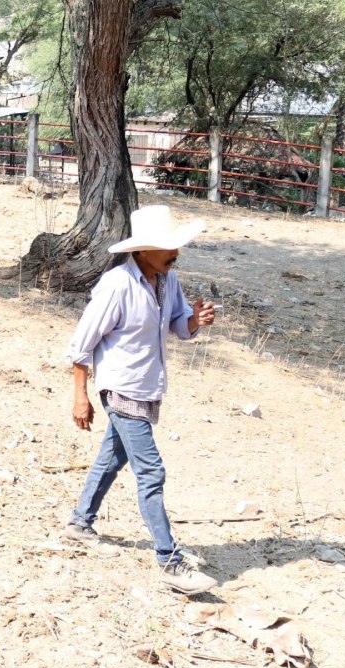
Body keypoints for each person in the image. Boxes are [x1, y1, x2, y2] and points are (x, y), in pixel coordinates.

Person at [60, 204, 218, 595]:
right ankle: (169, 559)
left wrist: (196, 319)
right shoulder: (117, 286)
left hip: (147, 386)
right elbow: (81, 345)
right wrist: (80, 396)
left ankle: (80, 523)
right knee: (151, 471)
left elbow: (180, 326)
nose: (175, 253)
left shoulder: (168, 279)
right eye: (167, 247)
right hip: (121, 387)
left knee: (112, 458)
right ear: (143, 250)